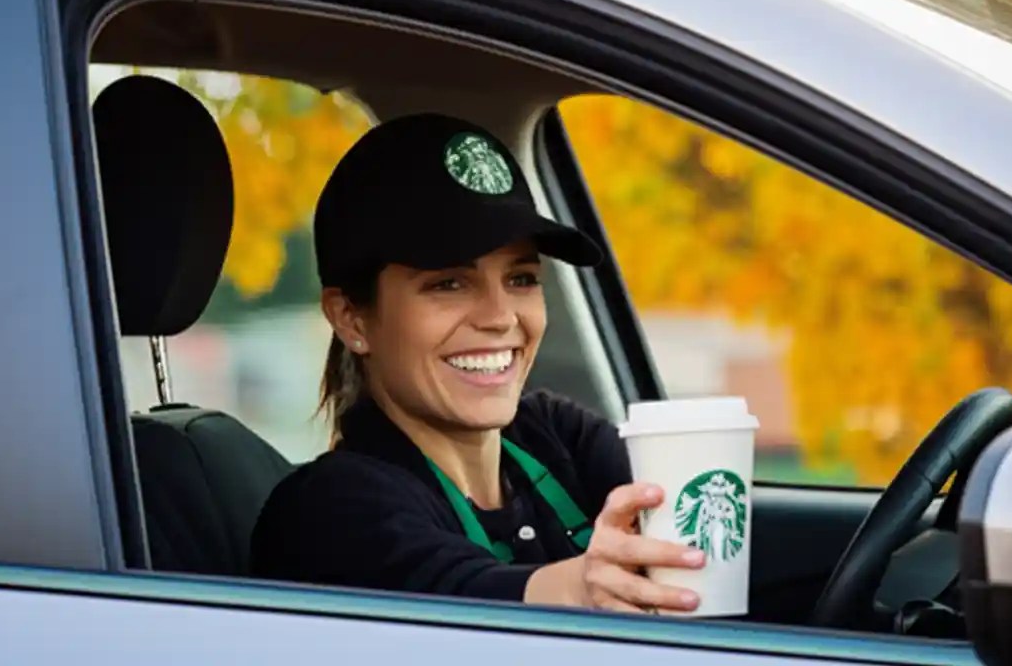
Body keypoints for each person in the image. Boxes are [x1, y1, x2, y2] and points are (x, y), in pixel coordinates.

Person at [250, 113, 706, 613]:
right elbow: (462, 603)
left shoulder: (554, 435)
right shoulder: (327, 512)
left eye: (521, 279)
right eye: (448, 283)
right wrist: (581, 590)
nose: (500, 317)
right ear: (351, 319)